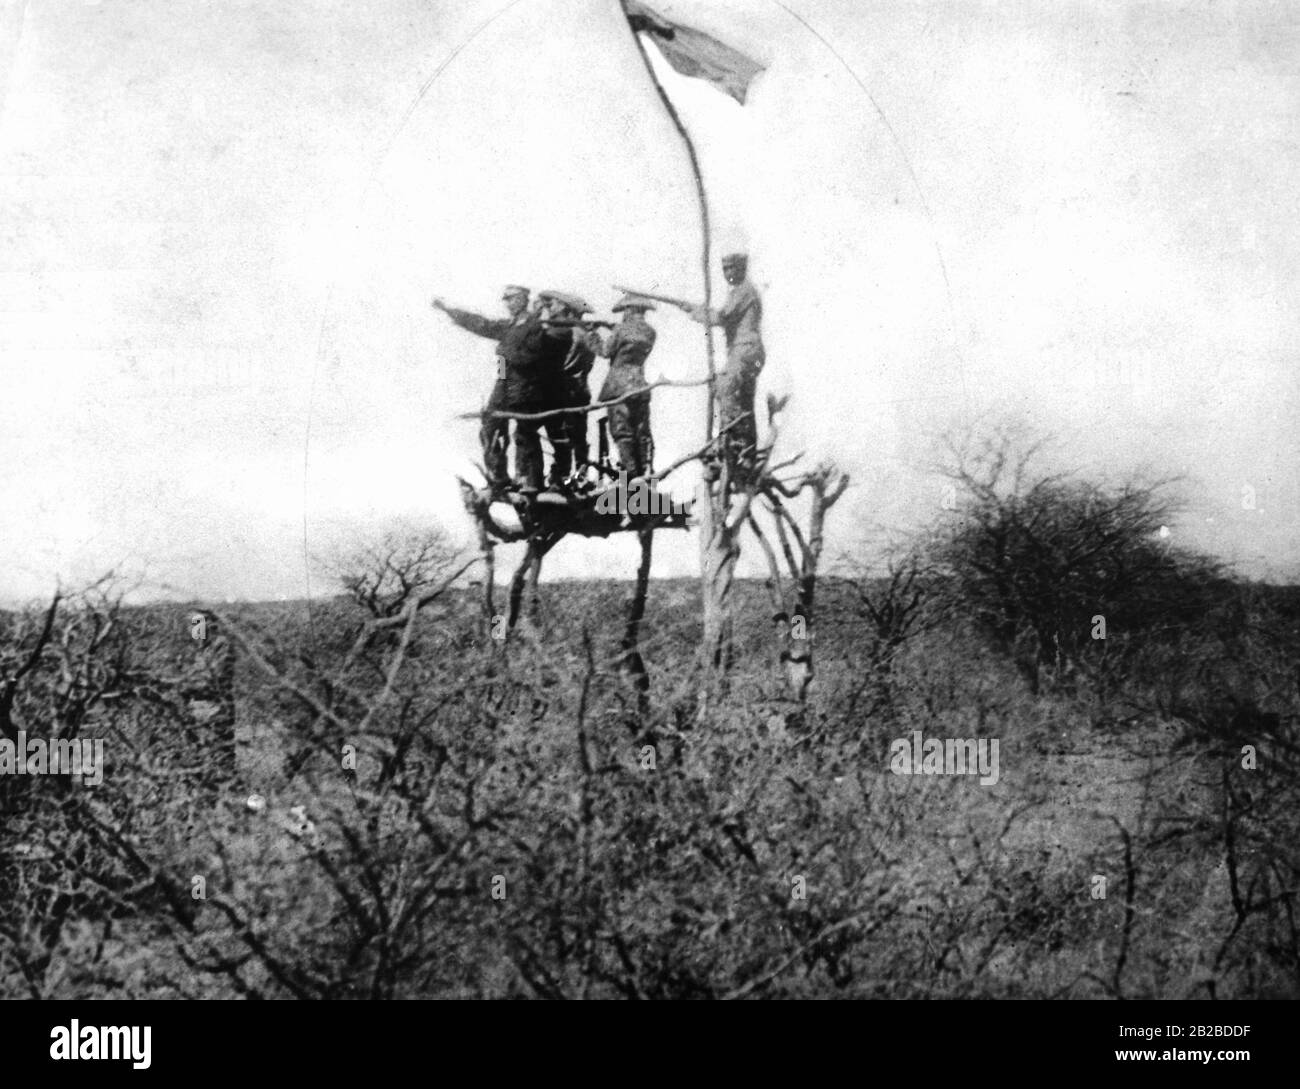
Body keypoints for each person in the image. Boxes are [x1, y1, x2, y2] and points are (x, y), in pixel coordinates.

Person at [431, 285, 531, 493]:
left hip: (524, 384)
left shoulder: (533, 326)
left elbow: (533, 357)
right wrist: (450, 311)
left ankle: (524, 477)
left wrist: (505, 351)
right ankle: (499, 476)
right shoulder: (510, 325)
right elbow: (481, 324)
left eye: (512, 299)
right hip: (503, 382)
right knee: (490, 426)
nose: (507, 304)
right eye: (506, 299)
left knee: (524, 432)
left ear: (523, 300)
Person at [681, 252, 764, 483]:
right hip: (747, 351)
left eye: (732, 269)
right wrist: (696, 310)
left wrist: (697, 313)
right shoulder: (742, 291)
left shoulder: (744, 291)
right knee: (744, 402)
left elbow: (723, 317)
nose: (728, 274)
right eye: (725, 269)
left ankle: (732, 448)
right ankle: (747, 455)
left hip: (744, 350)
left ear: (742, 269)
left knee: (726, 390)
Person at [536, 290, 598, 489]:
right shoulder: (587, 333)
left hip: (562, 390)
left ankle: (560, 475)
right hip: (581, 390)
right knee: (578, 435)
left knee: (557, 435)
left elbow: (555, 363)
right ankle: (579, 475)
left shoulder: (562, 332)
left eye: (552, 304)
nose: (549, 309)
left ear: (564, 307)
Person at [597, 293, 658, 480]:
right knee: (641, 433)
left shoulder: (622, 330)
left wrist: (591, 335)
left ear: (630, 310)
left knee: (622, 433)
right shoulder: (650, 332)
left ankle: (630, 475)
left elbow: (605, 351)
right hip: (639, 385)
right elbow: (630, 341)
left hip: (618, 386)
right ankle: (642, 474)